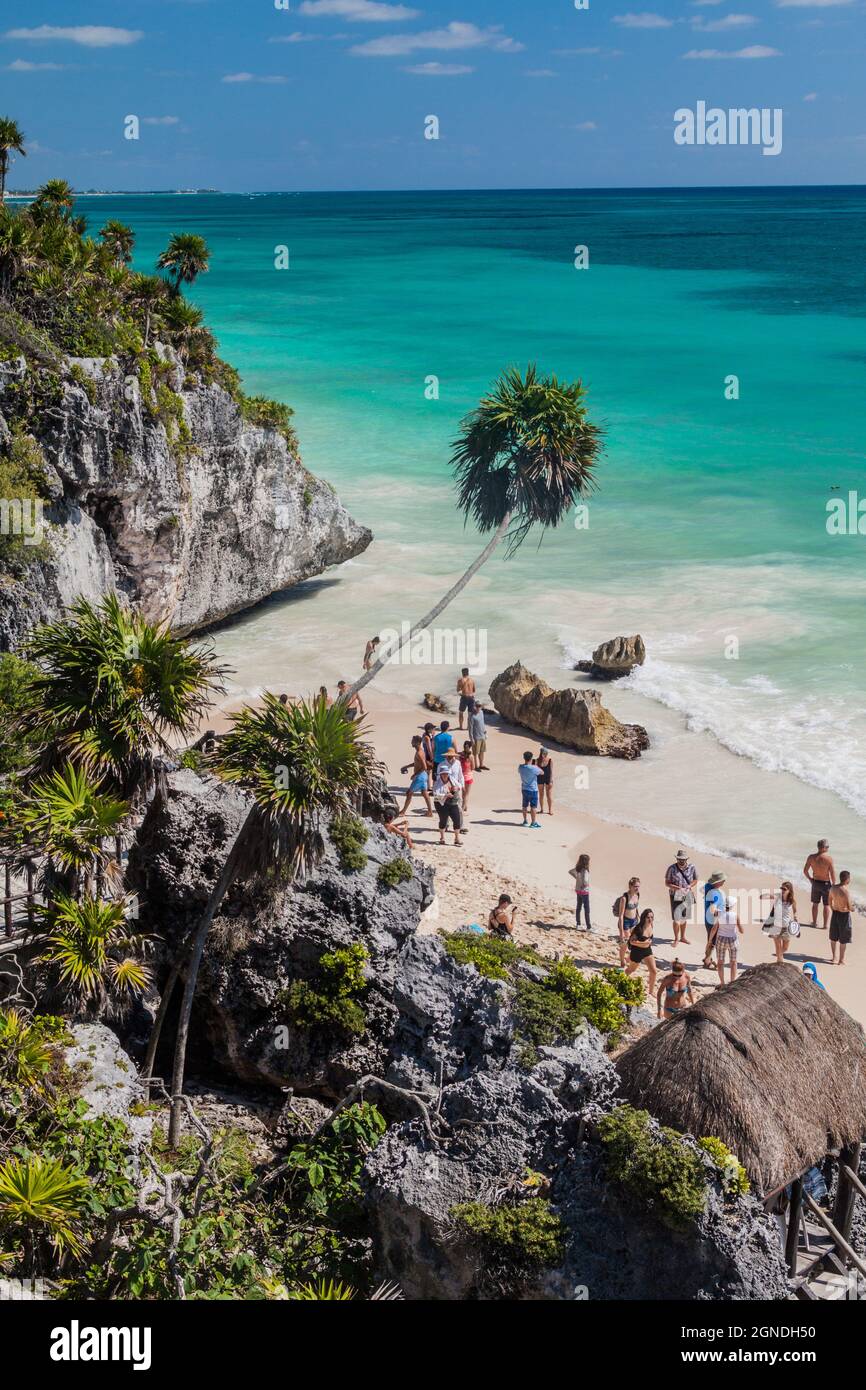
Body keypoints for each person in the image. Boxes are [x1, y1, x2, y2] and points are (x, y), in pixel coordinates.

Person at [707, 892, 743, 986]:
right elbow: (741, 930)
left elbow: (714, 928)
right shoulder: (735, 915)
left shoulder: (719, 913)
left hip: (721, 940)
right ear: (733, 905)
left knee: (720, 962)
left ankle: (722, 983)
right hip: (732, 940)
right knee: (733, 962)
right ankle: (732, 982)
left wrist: (710, 940)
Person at [665, 850, 698, 946]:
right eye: (679, 859)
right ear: (677, 858)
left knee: (684, 918)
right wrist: (677, 888)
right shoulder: (671, 868)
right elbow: (667, 883)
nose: (681, 861)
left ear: (686, 859)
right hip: (675, 894)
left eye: (683, 859)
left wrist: (689, 886)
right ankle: (676, 939)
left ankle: (682, 937)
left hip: (687, 894)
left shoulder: (692, 867)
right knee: (676, 918)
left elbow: (695, 880)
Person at [397, 736, 434, 817]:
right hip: (424, 776)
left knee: (409, 793)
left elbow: (424, 767)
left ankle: (403, 811)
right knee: (424, 793)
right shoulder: (420, 751)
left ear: (417, 742)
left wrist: (415, 774)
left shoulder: (419, 753)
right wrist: (407, 766)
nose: (411, 742)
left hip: (420, 776)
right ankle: (430, 812)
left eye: (413, 741)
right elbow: (417, 763)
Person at [803, 839, 836, 930]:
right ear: (824, 848)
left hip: (815, 883)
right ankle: (825, 925)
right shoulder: (829, 859)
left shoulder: (811, 857)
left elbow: (805, 871)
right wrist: (834, 885)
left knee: (815, 904)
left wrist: (810, 879)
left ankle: (814, 923)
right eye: (828, 847)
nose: (828, 848)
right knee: (826, 905)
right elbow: (832, 874)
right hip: (826, 884)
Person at [764, 880, 798, 964]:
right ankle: (779, 961)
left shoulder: (792, 901)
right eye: (781, 888)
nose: (782, 890)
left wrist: (796, 917)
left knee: (785, 947)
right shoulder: (778, 897)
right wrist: (764, 896)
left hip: (786, 927)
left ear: (789, 890)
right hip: (776, 925)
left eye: (784, 889)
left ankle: (779, 956)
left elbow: (795, 911)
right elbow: (770, 896)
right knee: (778, 945)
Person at [625, 908, 656, 995]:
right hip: (637, 952)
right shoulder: (638, 928)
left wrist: (646, 945)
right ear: (644, 918)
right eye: (648, 917)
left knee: (653, 971)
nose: (650, 919)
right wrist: (644, 943)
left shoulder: (651, 925)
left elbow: (648, 942)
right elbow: (631, 942)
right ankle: (621, 978)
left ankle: (651, 992)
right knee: (631, 970)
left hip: (647, 951)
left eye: (652, 917)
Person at [702, 872, 727, 968]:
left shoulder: (708, 887)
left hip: (708, 920)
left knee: (710, 940)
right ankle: (707, 962)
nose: (724, 881)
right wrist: (717, 911)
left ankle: (707, 959)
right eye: (722, 880)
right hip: (713, 921)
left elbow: (702, 889)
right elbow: (713, 907)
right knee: (712, 942)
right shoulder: (714, 894)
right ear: (717, 882)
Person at [432, 767, 462, 846]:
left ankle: (457, 838)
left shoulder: (452, 779)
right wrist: (445, 795)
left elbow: (460, 785)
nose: (445, 775)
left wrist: (457, 788)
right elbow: (435, 795)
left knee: (457, 819)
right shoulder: (437, 783)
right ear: (441, 774)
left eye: (446, 773)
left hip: (452, 802)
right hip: (441, 804)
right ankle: (442, 838)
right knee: (443, 820)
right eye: (443, 774)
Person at [828, 871, 853, 966]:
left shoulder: (833, 888)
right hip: (844, 915)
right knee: (843, 939)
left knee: (833, 937)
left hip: (835, 913)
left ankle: (834, 957)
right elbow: (849, 906)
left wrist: (832, 908)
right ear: (847, 879)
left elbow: (829, 900)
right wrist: (853, 908)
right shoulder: (845, 891)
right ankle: (841, 960)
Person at [616, 877, 641, 969]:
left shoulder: (637, 895)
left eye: (638, 886)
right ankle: (622, 962)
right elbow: (621, 915)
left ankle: (627, 959)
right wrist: (621, 932)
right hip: (625, 922)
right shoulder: (624, 898)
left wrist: (638, 918)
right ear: (630, 886)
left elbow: (636, 907)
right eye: (635, 886)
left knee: (635, 943)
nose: (637, 888)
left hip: (634, 921)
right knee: (625, 944)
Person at [518, 751, 543, 828]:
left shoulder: (520, 767)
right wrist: (535, 765)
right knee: (533, 806)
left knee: (524, 805)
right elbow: (542, 772)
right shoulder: (534, 768)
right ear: (531, 758)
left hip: (524, 788)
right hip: (533, 790)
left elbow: (520, 771)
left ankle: (525, 821)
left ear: (524, 758)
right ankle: (533, 822)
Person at [568, 853, 592, 931]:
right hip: (584, 892)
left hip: (578, 891)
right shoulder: (585, 870)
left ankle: (578, 924)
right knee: (587, 910)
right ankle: (588, 927)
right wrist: (585, 884)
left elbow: (570, 871)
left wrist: (577, 879)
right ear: (587, 862)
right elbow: (585, 881)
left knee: (578, 908)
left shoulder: (578, 868)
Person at [468, 701, 489, 770]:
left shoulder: (482, 712)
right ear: (474, 706)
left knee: (482, 751)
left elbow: (482, 723)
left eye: (479, 706)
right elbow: (470, 728)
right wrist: (471, 739)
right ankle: (476, 766)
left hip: (482, 735)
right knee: (475, 753)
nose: (478, 707)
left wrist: (485, 732)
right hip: (476, 737)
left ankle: (481, 765)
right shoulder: (471, 716)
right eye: (477, 706)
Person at [459, 740, 476, 815]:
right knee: (467, 794)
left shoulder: (461, 755)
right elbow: (473, 767)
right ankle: (463, 807)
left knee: (463, 793)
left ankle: (465, 806)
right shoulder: (471, 756)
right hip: (468, 776)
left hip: (461, 776)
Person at [536, 748, 554, 816]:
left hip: (548, 779)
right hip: (539, 778)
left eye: (546, 753)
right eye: (544, 753)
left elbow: (551, 771)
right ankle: (542, 809)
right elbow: (536, 771)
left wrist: (550, 780)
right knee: (541, 794)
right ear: (541, 753)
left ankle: (550, 810)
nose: (545, 755)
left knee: (549, 795)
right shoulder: (537, 760)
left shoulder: (550, 760)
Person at [421, 723, 436, 788]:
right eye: (432, 728)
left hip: (426, 754)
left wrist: (432, 736)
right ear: (429, 730)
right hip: (428, 755)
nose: (434, 729)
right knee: (429, 772)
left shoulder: (425, 735)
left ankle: (429, 786)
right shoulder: (427, 737)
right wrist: (432, 757)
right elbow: (429, 749)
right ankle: (429, 786)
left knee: (428, 771)